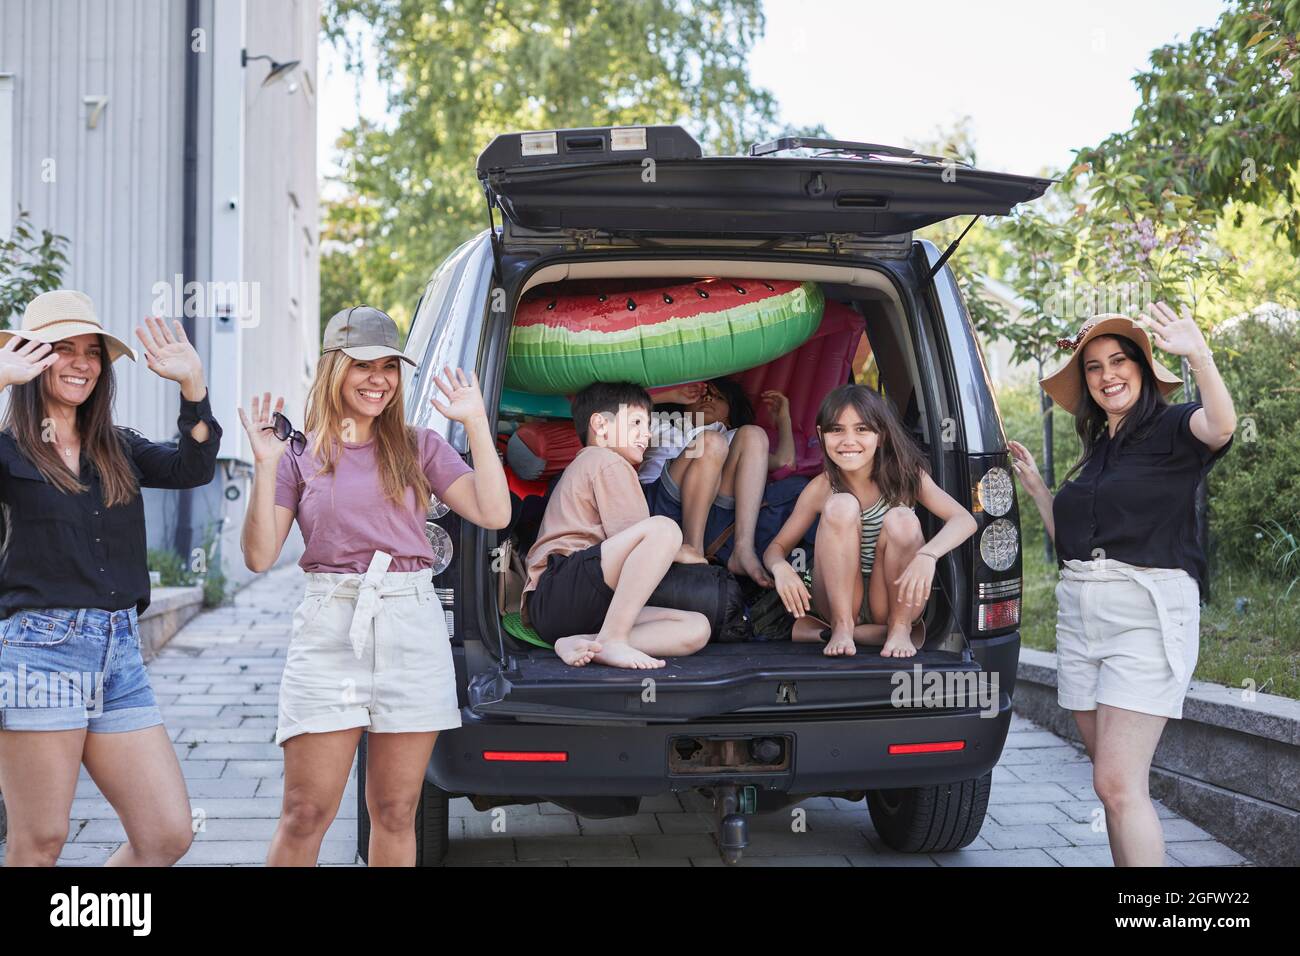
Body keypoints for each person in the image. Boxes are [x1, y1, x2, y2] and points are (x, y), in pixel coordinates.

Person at [238, 305, 510, 867]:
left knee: (393, 810)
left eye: (390, 365)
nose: (379, 378)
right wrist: (264, 467)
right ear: (334, 368)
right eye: (364, 365)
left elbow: (493, 512)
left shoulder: (419, 446)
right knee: (305, 812)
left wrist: (477, 424)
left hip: (410, 619)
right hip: (330, 623)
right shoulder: (297, 454)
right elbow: (260, 555)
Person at [0, 290, 221, 866]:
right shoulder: (9, 451)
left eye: (91, 352)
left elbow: (192, 466)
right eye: (62, 350)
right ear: (30, 360)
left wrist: (193, 384)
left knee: (166, 835)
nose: (81, 363)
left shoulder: (115, 446)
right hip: (39, 657)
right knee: (41, 840)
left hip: (120, 654)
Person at [1010, 304, 1236, 867]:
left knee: (1117, 785)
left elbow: (1223, 425)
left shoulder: (1173, 427)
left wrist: (1198, 353)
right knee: (1109, 788)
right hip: (1082, 614)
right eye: (1093, 367)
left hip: (1145, 612)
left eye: (1119, 361)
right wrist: (1041, 490)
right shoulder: (1099, 448)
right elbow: (1079, 538)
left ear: (1143, 367)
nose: (1108, 374)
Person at [763, 383, 977, 658]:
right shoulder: (821, 487)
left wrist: (928, 555)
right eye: (836, 430)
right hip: (838, 598)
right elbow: (775, 548)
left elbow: (965, 520)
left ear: (881, 435)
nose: (848, 440)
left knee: (902, 518)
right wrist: (781, 568)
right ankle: (842, 627)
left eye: (862, 429)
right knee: (841, 504)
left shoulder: (906, 475)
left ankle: (898, 629)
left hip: (890, 599)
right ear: (822, 435)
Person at [522, 381, 712, 669]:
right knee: (664, 529)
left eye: (648, 424)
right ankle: (614, 639)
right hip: (561, 588)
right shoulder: (606, 460)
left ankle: (584, 640)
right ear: (600, 425)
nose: (647, 433)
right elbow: (640, 539)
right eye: (636, 422)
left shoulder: (590, 462)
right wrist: (683, 551)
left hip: (569, 611)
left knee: (696, 628)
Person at [639, 377, 794, 586]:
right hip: (659, 505)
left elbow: (785, 462)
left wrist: (784, 417)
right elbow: (614, 412)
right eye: (702, 394)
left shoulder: (732, 436)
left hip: (708, 518)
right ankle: (692, 548)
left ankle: (742, 549)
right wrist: (671, 394)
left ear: (729, 416)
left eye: (718, 397)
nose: (709, 399)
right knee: (711, 442)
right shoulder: (663, 425)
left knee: (753, 434)